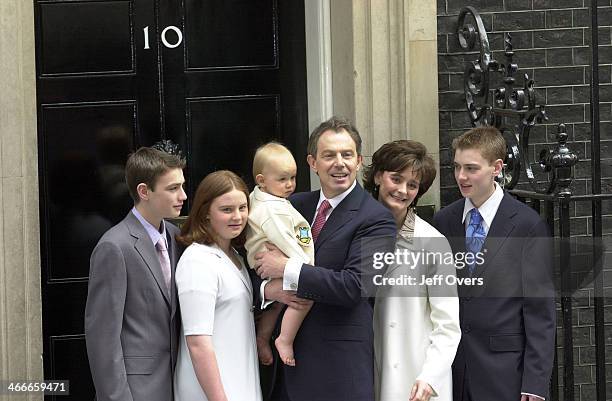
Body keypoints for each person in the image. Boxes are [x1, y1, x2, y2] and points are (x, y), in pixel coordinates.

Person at [254, 116, 397, 401]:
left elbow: (355, 286)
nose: (339, 163)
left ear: (358, 161)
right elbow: (256, 259)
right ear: (312, 162)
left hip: (336, 374)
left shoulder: (377, 219)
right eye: (329, 155)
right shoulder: (291, 206)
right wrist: (268, 289)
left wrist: (287, 268)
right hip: (281, 375)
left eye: (347, 155)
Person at [433, 126, 555, 401]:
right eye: (457, 167)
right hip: (451, 371)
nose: (461, 177)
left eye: (471, 168)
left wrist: (535, 383)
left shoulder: (527, 225)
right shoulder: (444, 221)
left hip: (504, 372)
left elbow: (539, 311)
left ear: (496, 168)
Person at [85, 147, 187, 401]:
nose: (183, 195)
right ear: (144, 191)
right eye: (173, 188)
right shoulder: (114, 247)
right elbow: (103, 340)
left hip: (179, 384)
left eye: (182, 186)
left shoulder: (177, 237)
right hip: (136, 390)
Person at [363, 140, 461, 401]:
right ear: (377, 177)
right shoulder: (354, 233)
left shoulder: (434, 243)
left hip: (416, 381)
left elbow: (448, 324)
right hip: (362, 373)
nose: (402, 190)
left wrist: (430, 376)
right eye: (396, 179)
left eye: (413, 185)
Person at [173, 170, 262, 401]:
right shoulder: (198, 261)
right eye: (226, 209)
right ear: (205, 214)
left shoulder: (235, 255)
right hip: (213, 392)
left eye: (242, 208)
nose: (237, 216)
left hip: (241, 382)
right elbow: (197, 343)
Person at [244, 142, 315, 367]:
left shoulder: (262, 198)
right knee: (304, 297)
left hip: (273, 262)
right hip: (282, 259)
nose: (290, 185)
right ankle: (285, 339)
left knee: (276, 302)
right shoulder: (271, 210)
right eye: (283, 179)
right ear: (261, 180)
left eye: (293, 177)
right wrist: (304, 268)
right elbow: (284, 238)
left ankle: (262, 337)